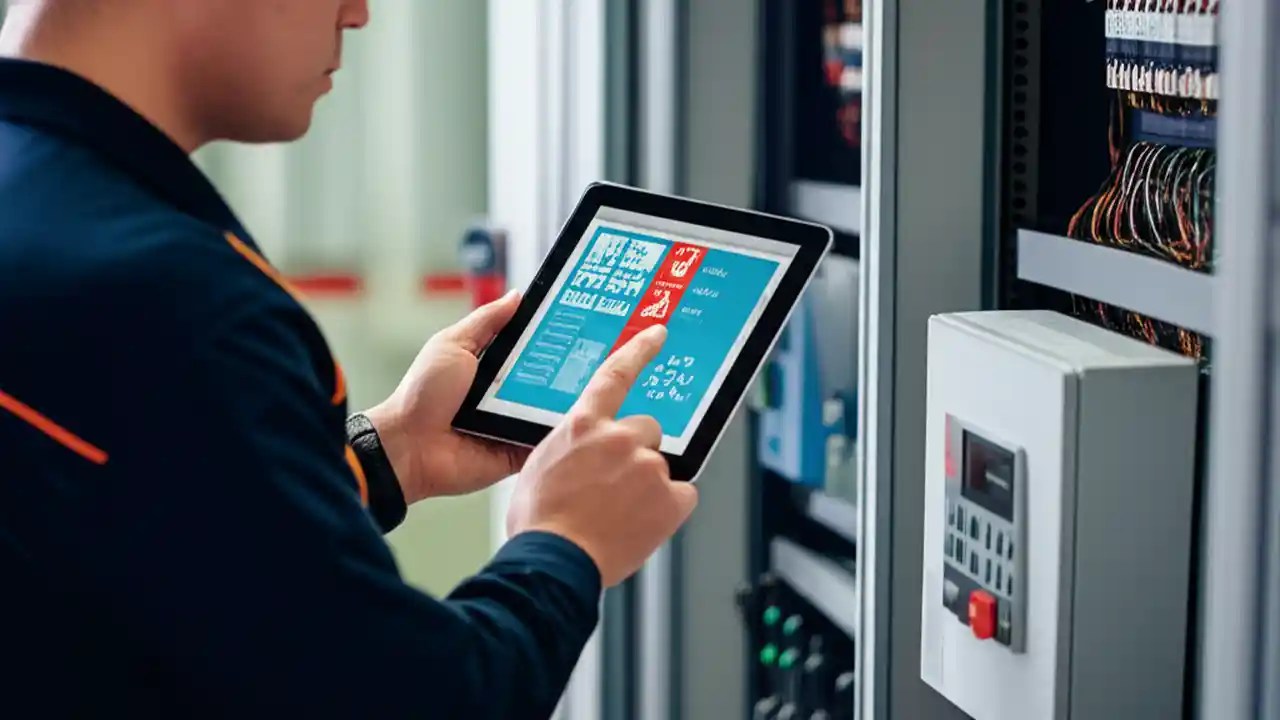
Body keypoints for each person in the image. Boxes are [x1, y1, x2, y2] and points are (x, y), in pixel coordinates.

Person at [0, 0, 698, 716]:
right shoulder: (172, 297)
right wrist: (566, 540)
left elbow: (152, 535)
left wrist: (392, 452)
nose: (358, 14)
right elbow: (410, 701)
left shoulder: (37, 203)